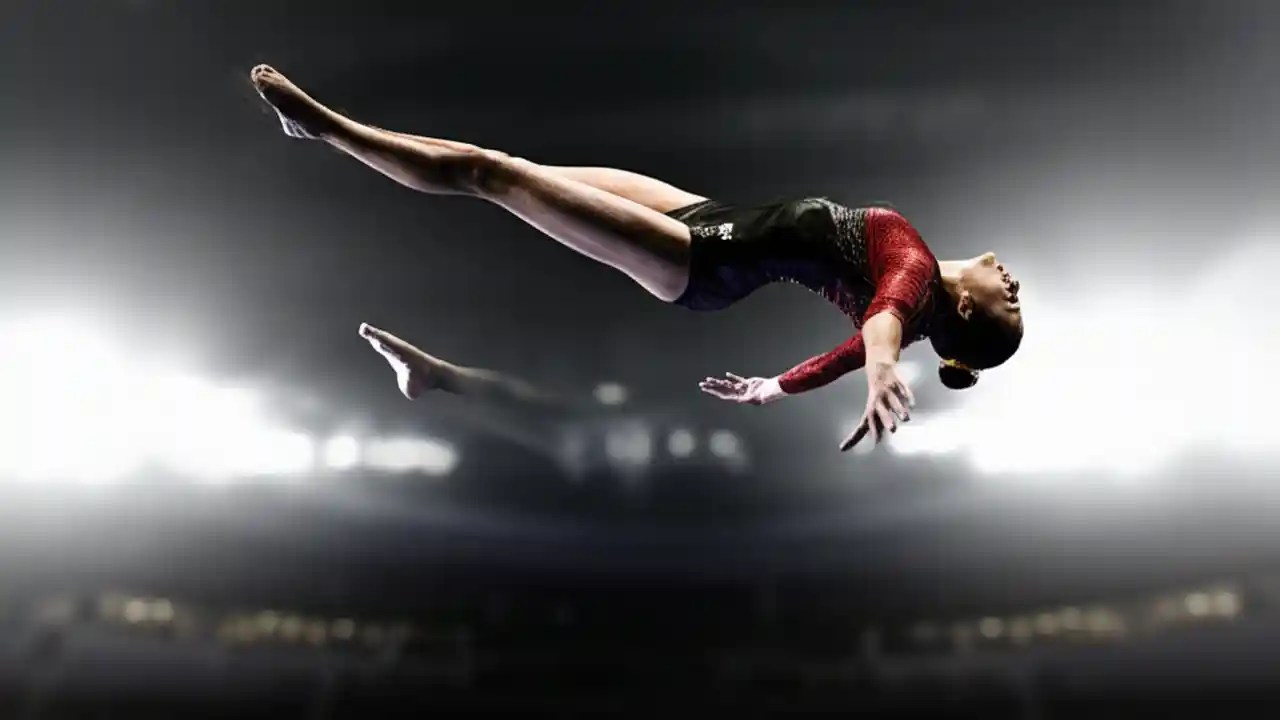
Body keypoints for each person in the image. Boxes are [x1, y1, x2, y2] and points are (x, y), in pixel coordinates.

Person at [249, 65, 1023, 451]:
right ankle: (325, 136)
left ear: (965, 308)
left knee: (493, 174)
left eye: (1009, 303)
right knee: (515, 168)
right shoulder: (917, 303)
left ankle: (323, 128)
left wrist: (885, 367)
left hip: (700, 259)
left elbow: (880, 322)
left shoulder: (915, 279)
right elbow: (851, 350)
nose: (1013, 284)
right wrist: (774, 389)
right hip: (704, 217)